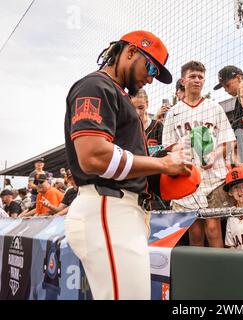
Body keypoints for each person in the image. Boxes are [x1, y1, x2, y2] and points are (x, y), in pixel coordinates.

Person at [63, 30, 193, 300]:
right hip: (107, 208)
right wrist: (164, 165)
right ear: (130, 52)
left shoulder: (118, 94)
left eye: (155, 73)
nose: (151, 77)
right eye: (150, 66)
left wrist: (164, 162)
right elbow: (93, 157)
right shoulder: (95, 86)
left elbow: (123, 161)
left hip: (119, 212)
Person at [163, 60, 236, 248]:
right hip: (187, 178)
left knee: (213, 228)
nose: (197, 80)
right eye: (192, 76)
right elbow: (167, 147)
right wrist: (179, 147)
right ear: (183, 80)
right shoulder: (173, 113)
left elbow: (229, 141)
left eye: (200, 77)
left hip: (213, 178)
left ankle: (219, 270)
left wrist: (214, 156)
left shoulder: (214, 107)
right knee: (195, 232)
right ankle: (200, 273)